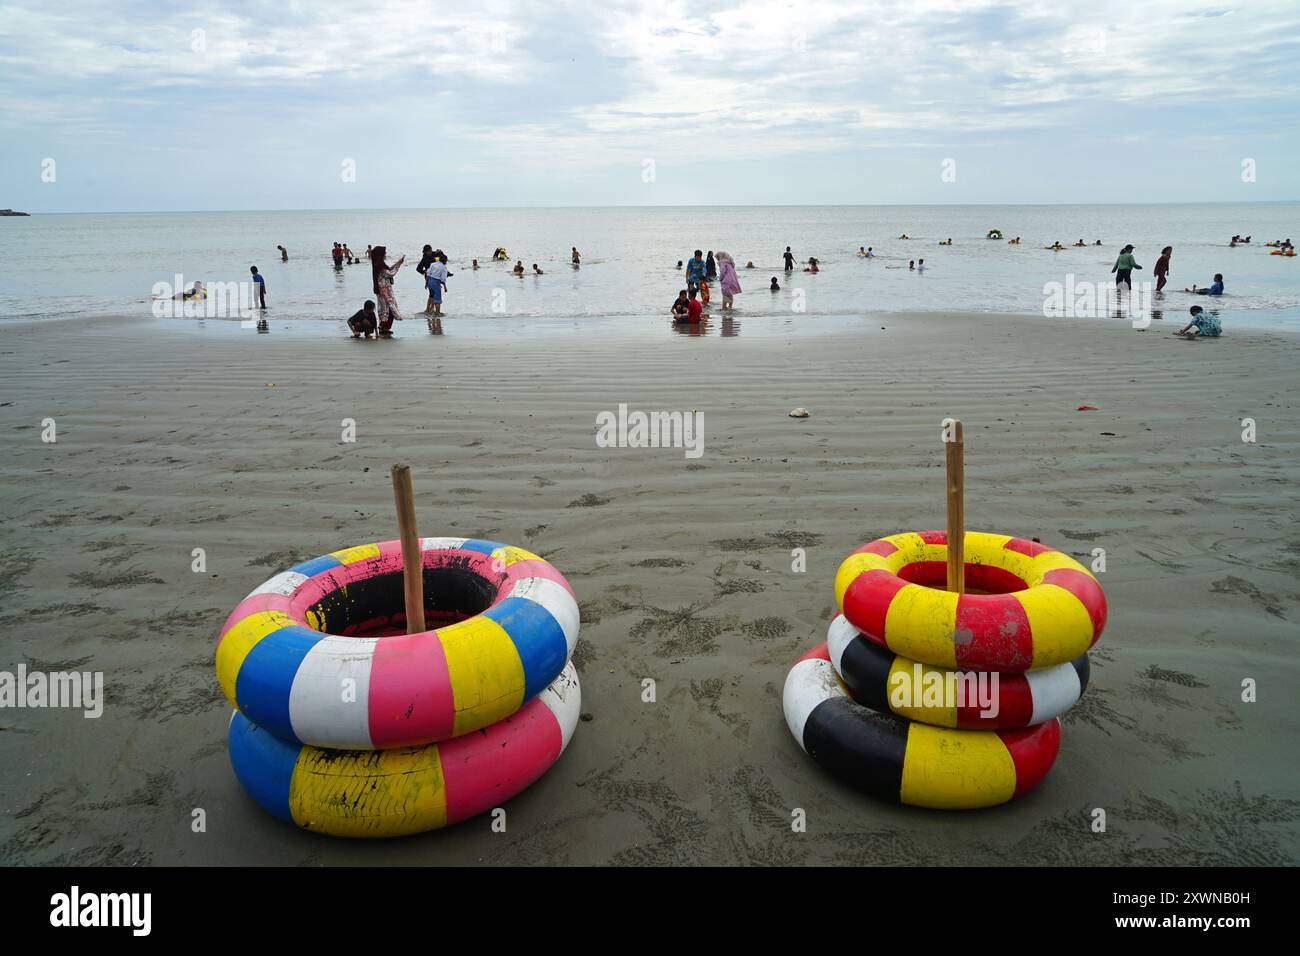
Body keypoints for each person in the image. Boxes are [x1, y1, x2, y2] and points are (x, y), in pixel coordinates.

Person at [371, 246, 405, 334]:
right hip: (385, 291)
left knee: (385, 309)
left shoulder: (377, 264)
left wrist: (398, 263)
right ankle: (383, 327)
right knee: (388, 309)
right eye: (384, 253)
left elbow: (388, 270)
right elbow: (390, 273)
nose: (385, 254)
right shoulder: (380, 265)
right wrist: (398, 265)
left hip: (381, 290)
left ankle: (383, 327)